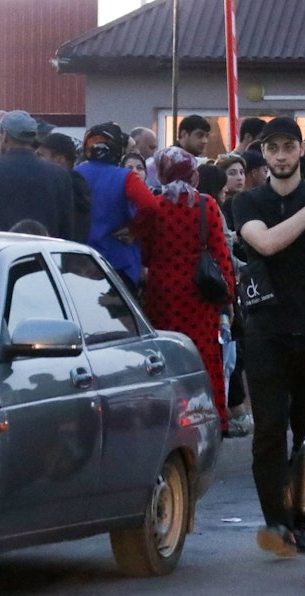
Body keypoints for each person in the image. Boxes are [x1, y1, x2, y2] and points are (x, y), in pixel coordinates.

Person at [231, 117, 305, 556]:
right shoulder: (248, 203)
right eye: (273, 148)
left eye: (288, 147)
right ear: (263, 154)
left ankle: (299, 523)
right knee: (267, 431)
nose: (281, 155)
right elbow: (265, 245)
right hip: (265, 332)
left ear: (301, 151)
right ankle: (276, 523)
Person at [131, 147, 234, 433]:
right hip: (199, 296)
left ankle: (171, 423)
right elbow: (220, 254)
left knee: (167, 358)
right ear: (192, 174)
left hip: (162, 293)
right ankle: (212, 421)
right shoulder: (206, 205)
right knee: (204, 356)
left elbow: (146, 254)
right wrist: (227, 299)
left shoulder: (154, 206)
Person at [75, 122, 159, 295]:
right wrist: (134, 229)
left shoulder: (74, 173)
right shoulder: (126, 177)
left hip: (81, 261)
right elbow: (150, 206)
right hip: (120, 261)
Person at [0, 110, 77, 240]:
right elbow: (67, 230)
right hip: (43, 255)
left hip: (2, 256)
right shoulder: (59, 175)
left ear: (4, 135)